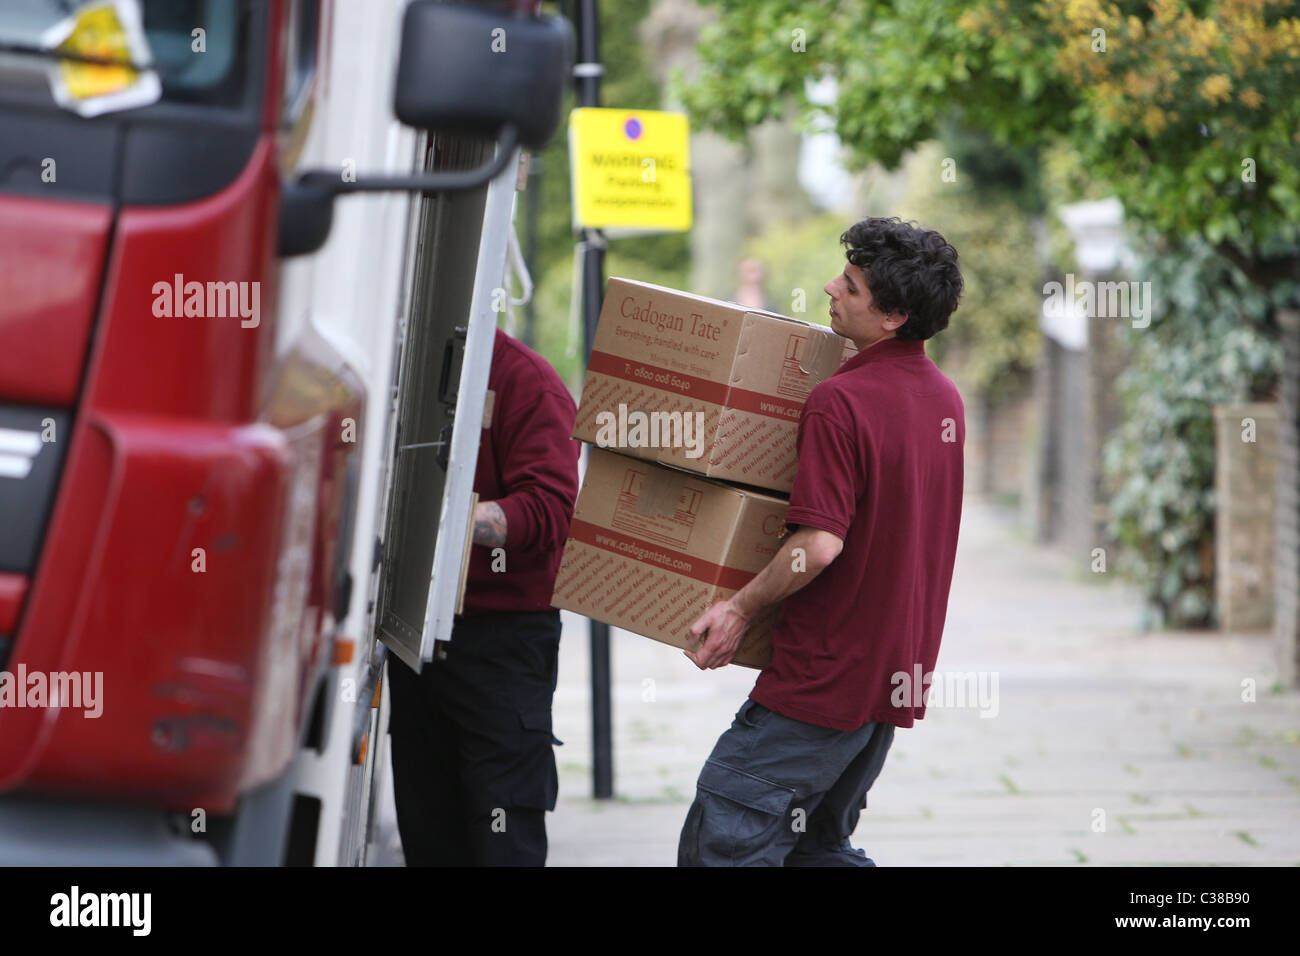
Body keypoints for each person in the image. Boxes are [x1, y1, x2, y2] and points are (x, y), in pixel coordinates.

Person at [678, 216, 966, 867]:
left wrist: (737, 609)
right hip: (890, 677)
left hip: (824, 678)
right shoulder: (944, 400)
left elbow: (821, 544)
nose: (831, 286)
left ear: (893, 315)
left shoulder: (841, 400)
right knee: (814, 849)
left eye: (853, 286)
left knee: (722, 844)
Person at [387, 327, 580, 867]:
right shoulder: (407, 366)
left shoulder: (526, 380)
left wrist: (445, 520)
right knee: (429, 834)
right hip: (418, 641)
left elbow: (552, 511)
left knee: (502, 837)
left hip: (502, 643)